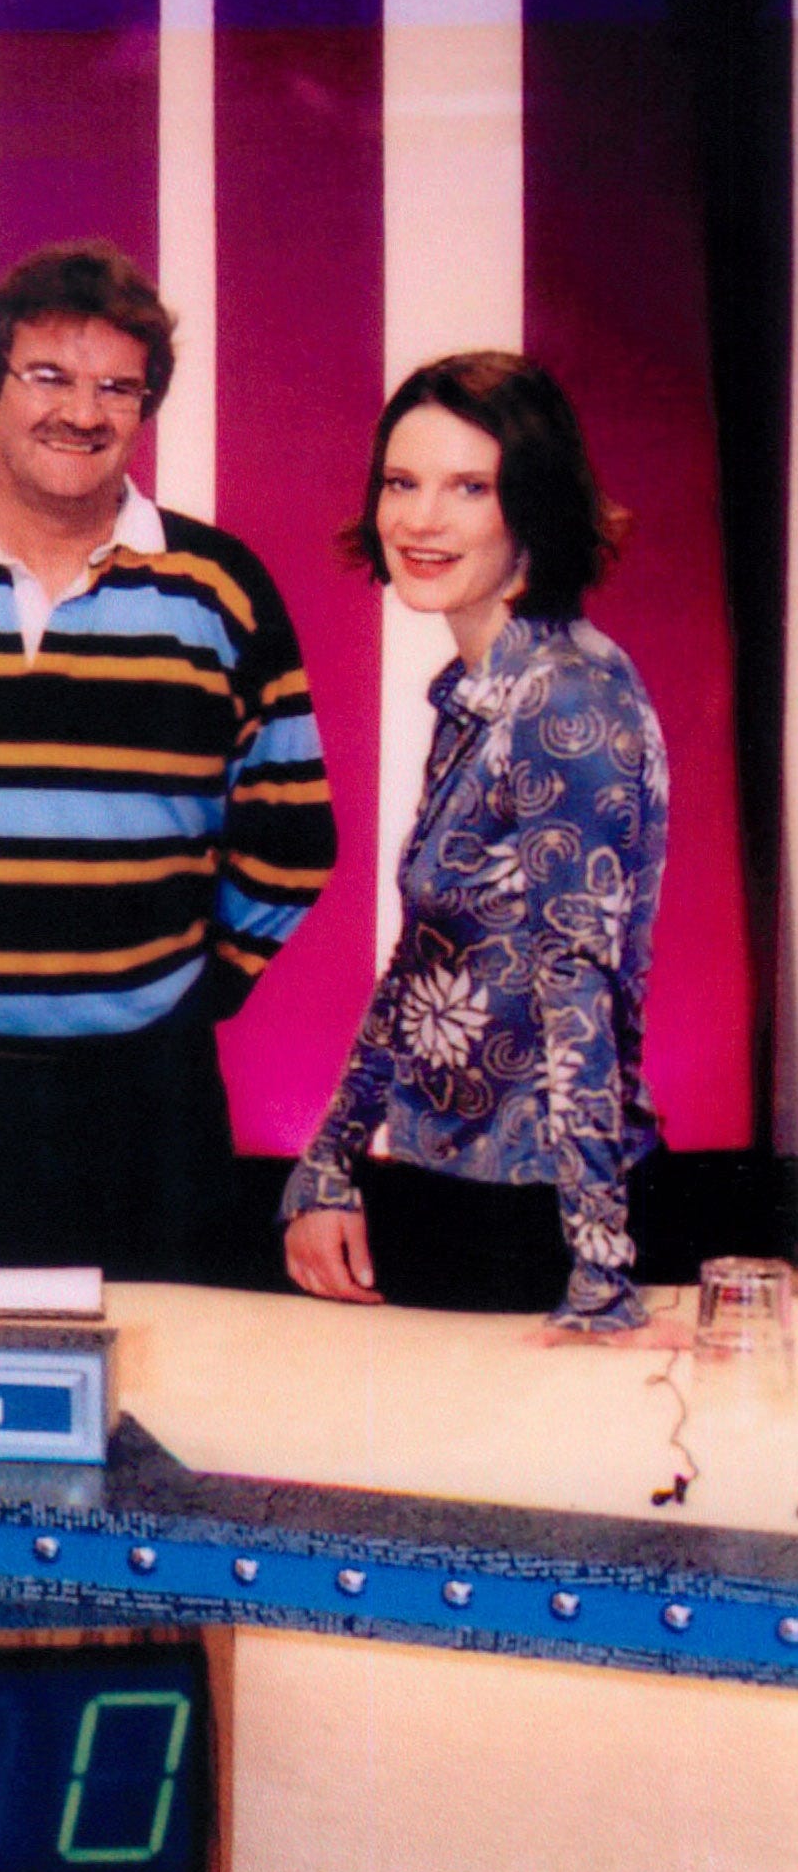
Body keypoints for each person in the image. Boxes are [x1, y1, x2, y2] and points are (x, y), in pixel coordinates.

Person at [0, 241, 337, 1283]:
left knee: (152, 1357)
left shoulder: (219, 590)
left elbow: (292, 833)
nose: (82, 412)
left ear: (144, 409)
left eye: (116, 388)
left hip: (146, 1094)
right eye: (48, 376)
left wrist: (189, 994)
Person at [282, 354, 665, 1331]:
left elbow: (578, 990)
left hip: (539, 1222)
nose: (419, 519)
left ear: (532, 505)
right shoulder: (481, 693)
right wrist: (328, 1162)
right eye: (400, 482)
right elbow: (426, 964)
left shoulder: (564, 701)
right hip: (448, 1191)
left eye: (468, 488)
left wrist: (599, 1280)